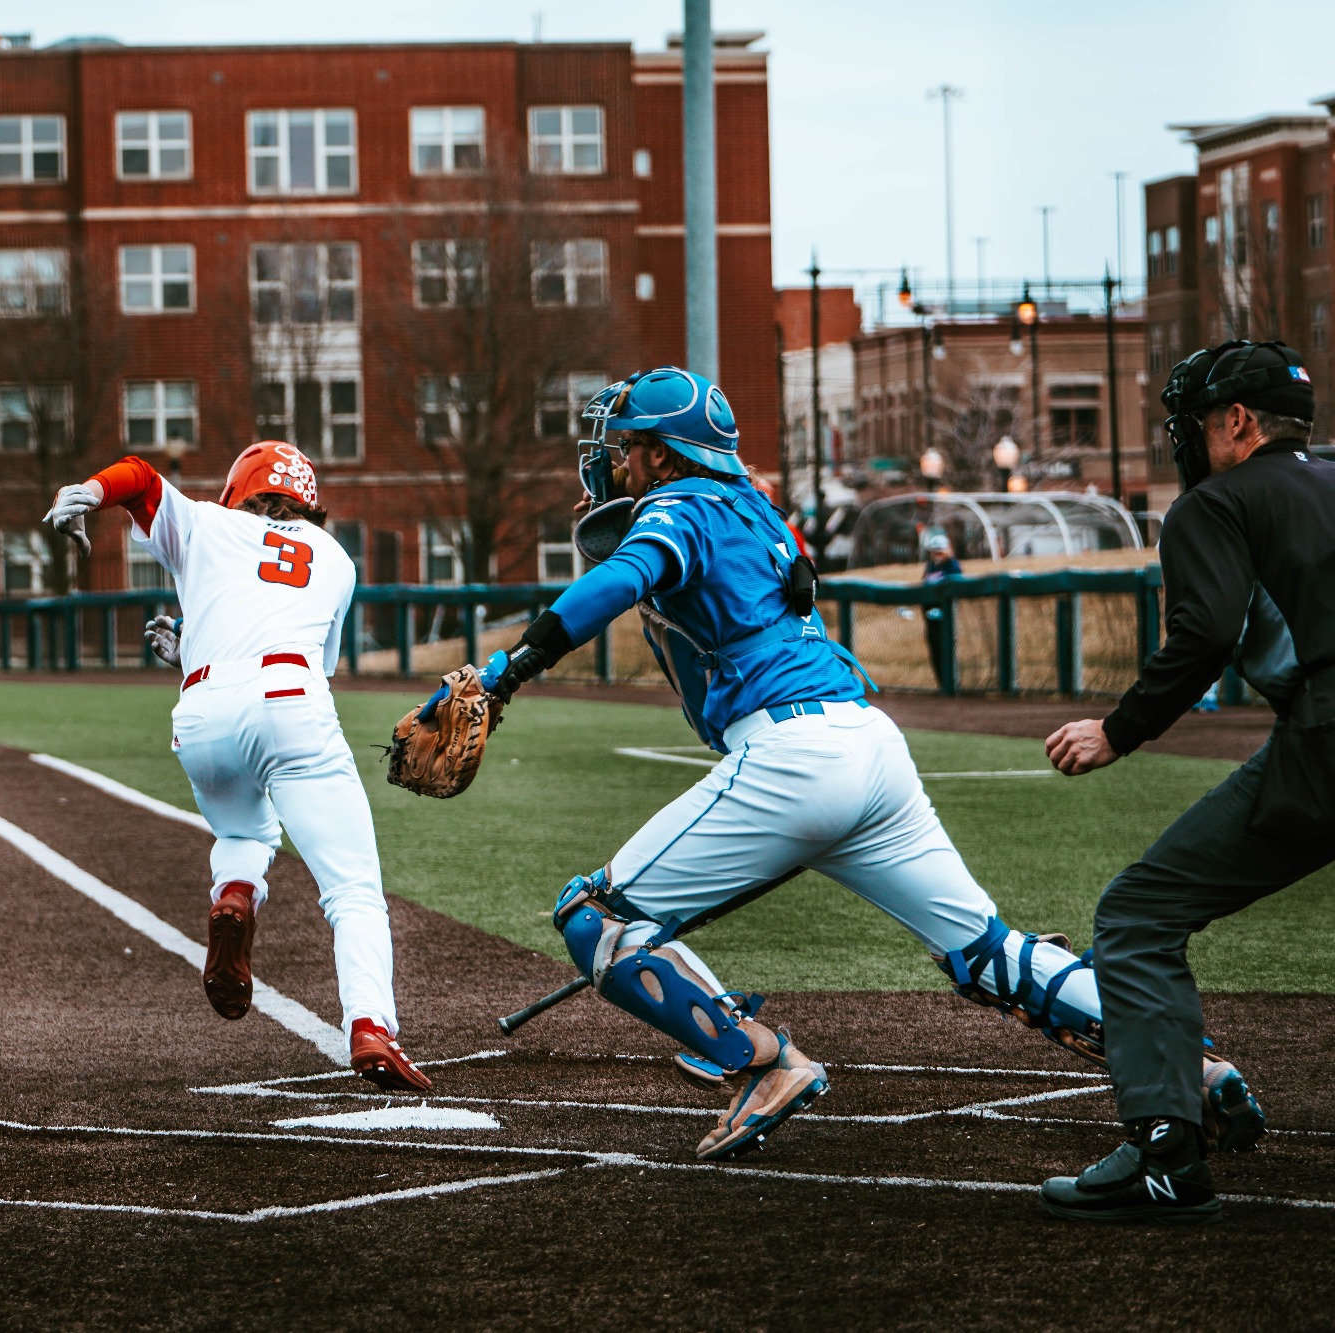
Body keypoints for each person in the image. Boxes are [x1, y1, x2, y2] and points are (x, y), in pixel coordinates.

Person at [464, 365, 1262, 1162]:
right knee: (987, 951)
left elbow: (620, 578)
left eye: (630, 448)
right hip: (869, 745)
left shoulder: (680, 505)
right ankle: (1188, 1063)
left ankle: (763, 1060)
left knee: (594, 917)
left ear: (666, 458)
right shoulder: (754, 507)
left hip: (791, 755)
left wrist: (508, 670)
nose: (616, 463)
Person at [1040, 340, 1333, 1224]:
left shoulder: (1217, 501)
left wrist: (1117, 731)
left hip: (1324, 743)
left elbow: (1202, 633)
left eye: (1198, 423)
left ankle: (1166, 1154)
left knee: (1138, 914)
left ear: (1236, 422)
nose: (1189, 441)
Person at [42, 442, 432, 1092]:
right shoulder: (335, 557)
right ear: (309, 502)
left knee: (243, 834)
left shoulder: (205, 521)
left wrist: (87, 492)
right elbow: (302, 652)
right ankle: (370, 1025)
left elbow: (138, 478)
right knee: (352, 888)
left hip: (200, 707)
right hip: (291, 697)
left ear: (238, 489)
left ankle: (236, 892)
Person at [920, 531, 963, 690]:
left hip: (946, 617)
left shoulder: (952, 565)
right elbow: (923, 585)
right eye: (934, 551)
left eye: (940, 551)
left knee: (946, 650)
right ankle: (942, 686)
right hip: (930, 616)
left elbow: (957, 586)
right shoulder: (930, 566)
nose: (937, 554)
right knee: (934, 650)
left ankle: (952, 685)